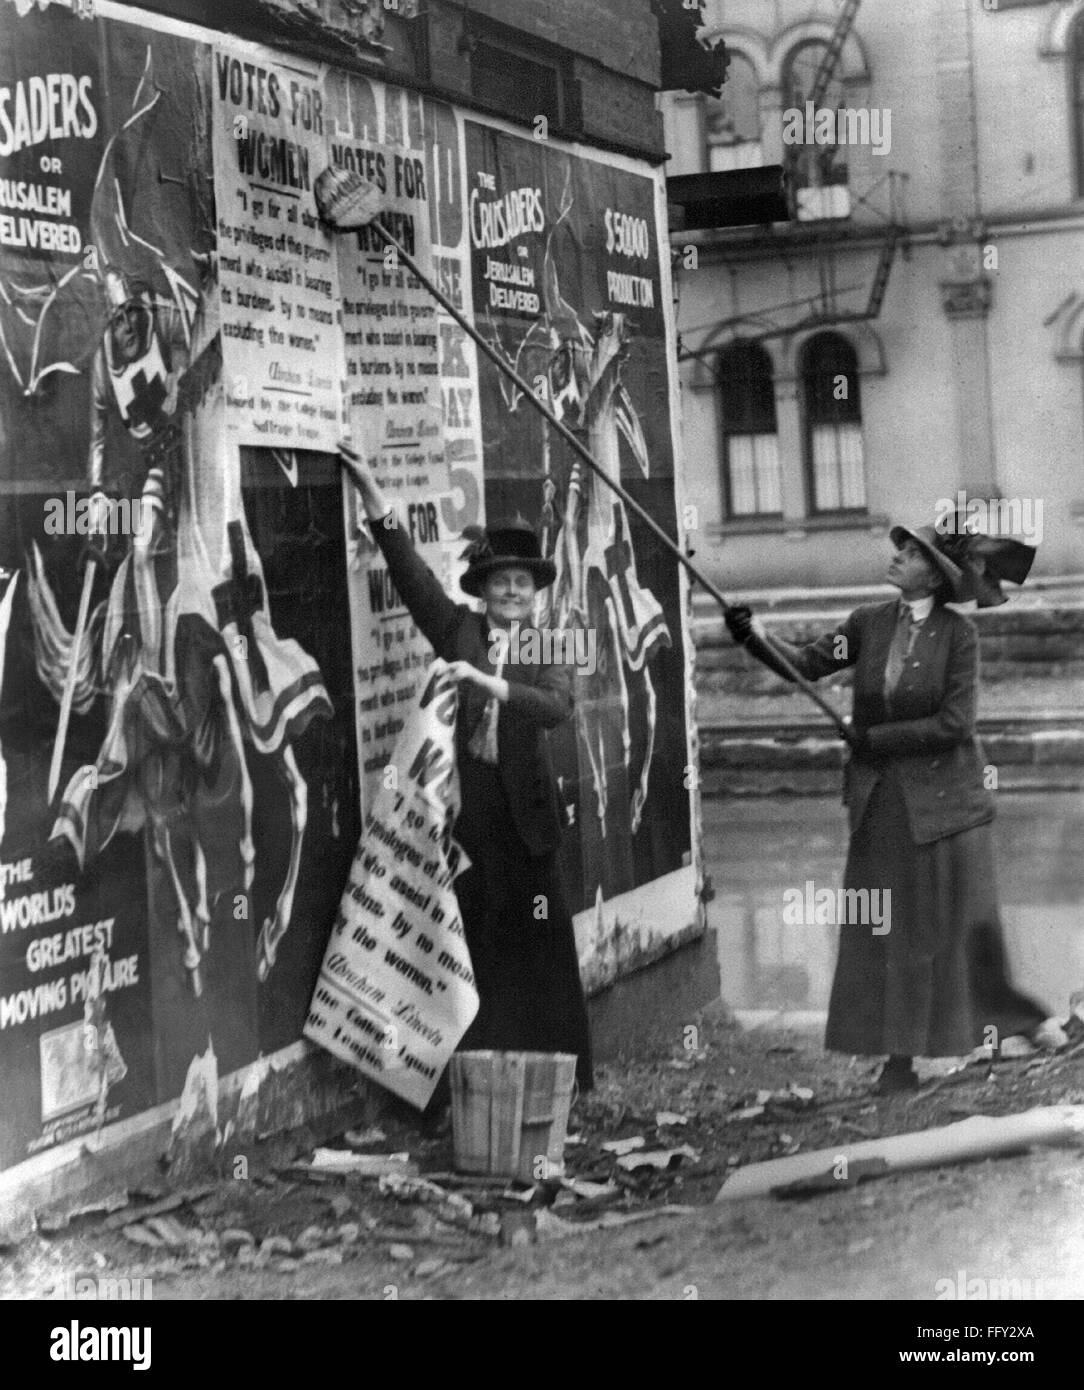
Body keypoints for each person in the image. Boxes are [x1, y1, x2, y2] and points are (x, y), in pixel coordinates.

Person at [725, 523, 1050, 1093]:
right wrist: (753, 638)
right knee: (886, 929)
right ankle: (897, 1061)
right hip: (882, 804)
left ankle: (1024, 1023)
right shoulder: (867, 625)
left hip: (947, 808)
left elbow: (956, 726)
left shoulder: (958, 637)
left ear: (935, 573)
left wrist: (877, 740)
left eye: (909, 555)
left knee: (951, 931)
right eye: (898, 552)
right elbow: (807, 663)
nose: (896, 559)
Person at [339, 442, 594, 1091]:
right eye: (499, 581)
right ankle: (480, 1086)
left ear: (537, 592)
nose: (512, 591)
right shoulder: (459, 632)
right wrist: (373, 495)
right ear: (483, 590)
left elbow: (557, 708)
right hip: (470, 821)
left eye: (523, 582)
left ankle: (562, 1079)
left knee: (543, 950)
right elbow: (410, 575)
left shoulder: (551, 640)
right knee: (477, 952)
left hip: (529, 824)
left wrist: (492, 683)